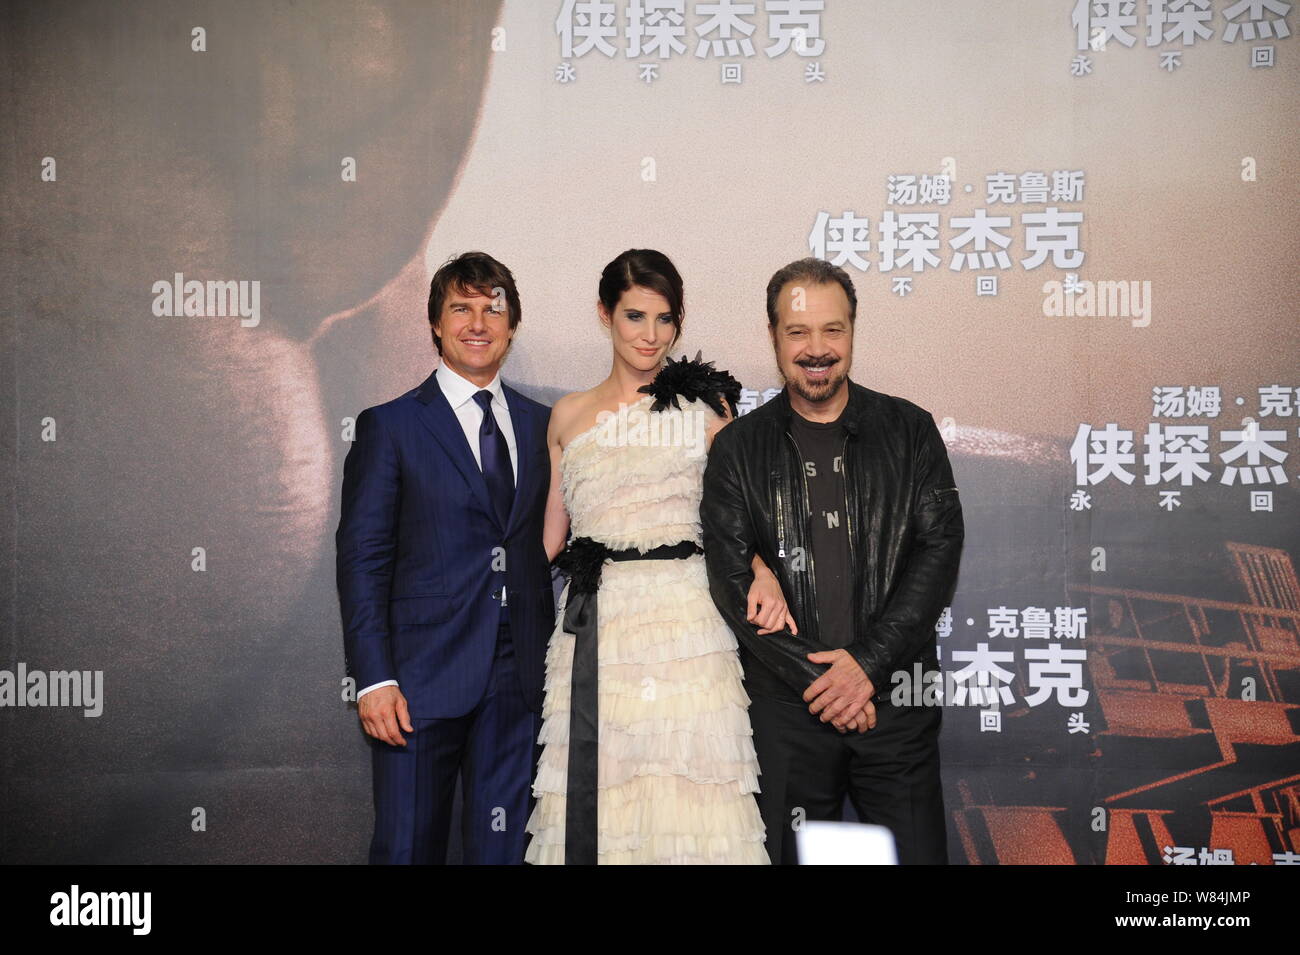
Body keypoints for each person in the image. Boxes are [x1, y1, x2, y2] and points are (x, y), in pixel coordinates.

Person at [524, 249, 793, 864]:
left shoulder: (709, 411)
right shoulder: (567, 415)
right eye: (635, 317)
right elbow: (549, 540)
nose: (651, 335)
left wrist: (762, 572)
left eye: (665, 319)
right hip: (597, 623)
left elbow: (735, 522)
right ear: (604, 315)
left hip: (687, 622)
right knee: (605, 788)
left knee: (692, 783)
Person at [700, 256, 965, 865]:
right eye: (798, 332)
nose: (816, 349)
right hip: (788, 713)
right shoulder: (739, 449)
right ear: (774, 338)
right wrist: (825, 681)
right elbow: (730, 576)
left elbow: (938, 553)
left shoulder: (911, 429)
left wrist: (864, 668)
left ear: (852, 331)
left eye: (832, 330)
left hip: (895, 705)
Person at [335, 251, 555, 864]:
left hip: (519, 683)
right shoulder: (392, 426)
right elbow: (363, 559)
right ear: (436, 323)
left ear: (513, 326)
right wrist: (374, 677)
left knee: (505, 853)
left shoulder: (544, 427)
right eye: (462, 307)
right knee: (407, 849)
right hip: (417, 681)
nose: (478, 322)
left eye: (494, 308)